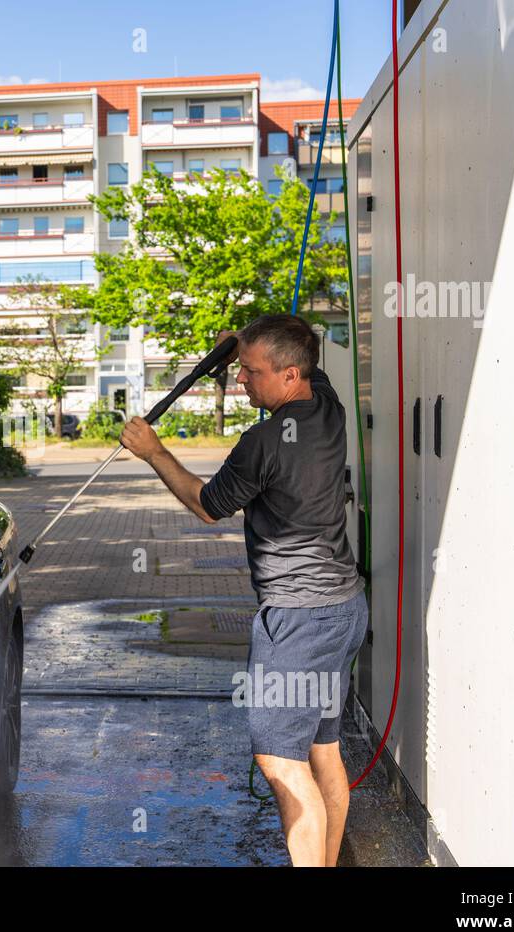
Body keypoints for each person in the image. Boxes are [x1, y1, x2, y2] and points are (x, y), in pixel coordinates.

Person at [119, 313, 368, 867]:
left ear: (290, 376)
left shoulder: (261, 443)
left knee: (281, 761)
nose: (241, 381)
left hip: (299, 623)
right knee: (321, 748)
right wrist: (237, 345)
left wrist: (154, 451)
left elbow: (207, 505)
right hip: (343, 610)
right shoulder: (328, 407)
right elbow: (298, 342)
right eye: (240, 370)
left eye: (251, 373)